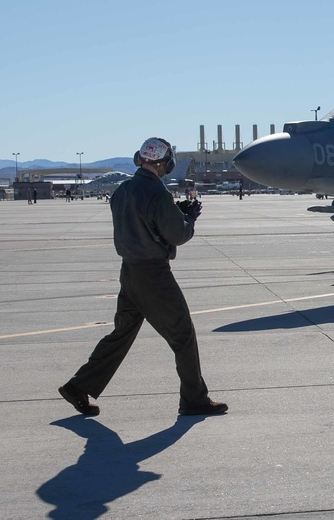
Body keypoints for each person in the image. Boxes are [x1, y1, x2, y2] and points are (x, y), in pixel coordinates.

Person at [59, 137, 227, 417]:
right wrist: (189, 218)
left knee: (121, 334)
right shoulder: (157, 192)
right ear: (165, 164)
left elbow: (143, 223)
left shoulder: (122, 190)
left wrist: (176, 214)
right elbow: (177, 234)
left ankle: (78, 386)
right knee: (182, 335)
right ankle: (194, 400)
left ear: (140, 159)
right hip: (153, 275)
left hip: (130, 271)